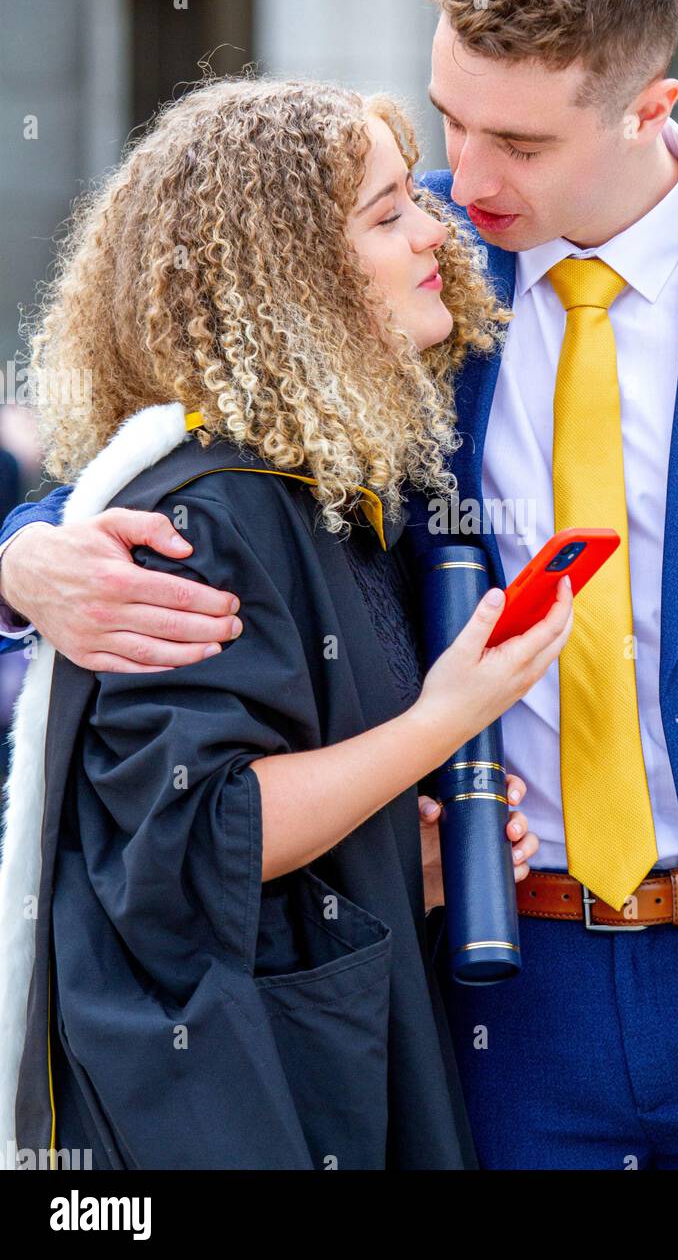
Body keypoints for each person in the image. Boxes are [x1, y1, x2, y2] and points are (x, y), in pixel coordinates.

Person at [3, 0, 678, 1170]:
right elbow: (200, 437)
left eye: (517, 139)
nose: (472, 176)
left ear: (647, 108)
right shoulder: (406, 273)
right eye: (452, 117)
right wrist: (25, 551)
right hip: (496, 1004)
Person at [0, 75, 574, 1170]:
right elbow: (193, 831)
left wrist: (407, 861)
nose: (434, 231)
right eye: (391, 210)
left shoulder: (326, 490)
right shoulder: (209, 517)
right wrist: (446, 719)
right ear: (293, 277)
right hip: (239, 1100)